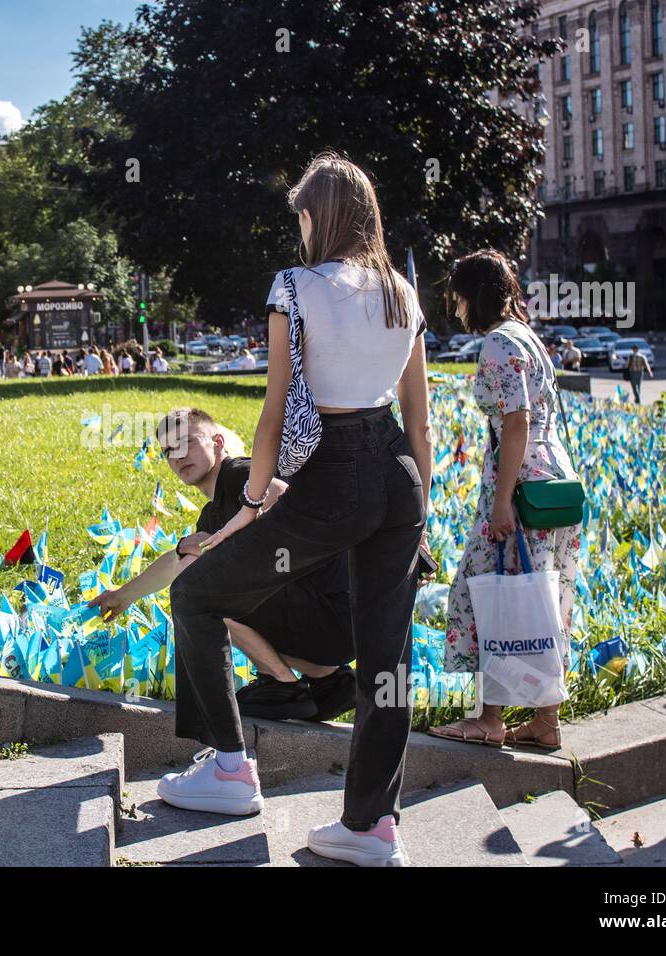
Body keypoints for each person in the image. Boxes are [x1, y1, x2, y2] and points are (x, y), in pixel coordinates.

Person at [157, 152, 431, 867]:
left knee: (194, 594)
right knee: (387, 664)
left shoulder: (294, 287)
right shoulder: (403, 290)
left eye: (300, 216)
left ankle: (228, 769)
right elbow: (419, 422)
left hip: (335, 474)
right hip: (398, 475)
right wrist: (421, 517)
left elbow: (274, 418)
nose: (298, 228)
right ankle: (372, 827)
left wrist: (248, 509)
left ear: (317, 216)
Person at [88, 408, 358, 722]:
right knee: (194, 575)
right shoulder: (213, 512)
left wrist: (221, 544)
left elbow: (282, 496)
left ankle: (282, 685)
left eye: (186, 442)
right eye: (167, 451)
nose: (177, 456)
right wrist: (122, 596)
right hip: (333, 629)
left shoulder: (239, 473)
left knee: (200, 585)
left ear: (217, 443)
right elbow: (178, 560)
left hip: (332, 609)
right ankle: (329, 681)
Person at [429, 250, 581, 754]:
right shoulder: (528, 336)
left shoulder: (497, 342)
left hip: (518, 482)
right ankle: (545, 721)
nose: (454, 311)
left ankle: (487, 719)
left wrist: (500, 502)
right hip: (553, 481)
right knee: (539, 596)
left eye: (456, 299)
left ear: (475, 296)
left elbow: (514, 422)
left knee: (482, 589)